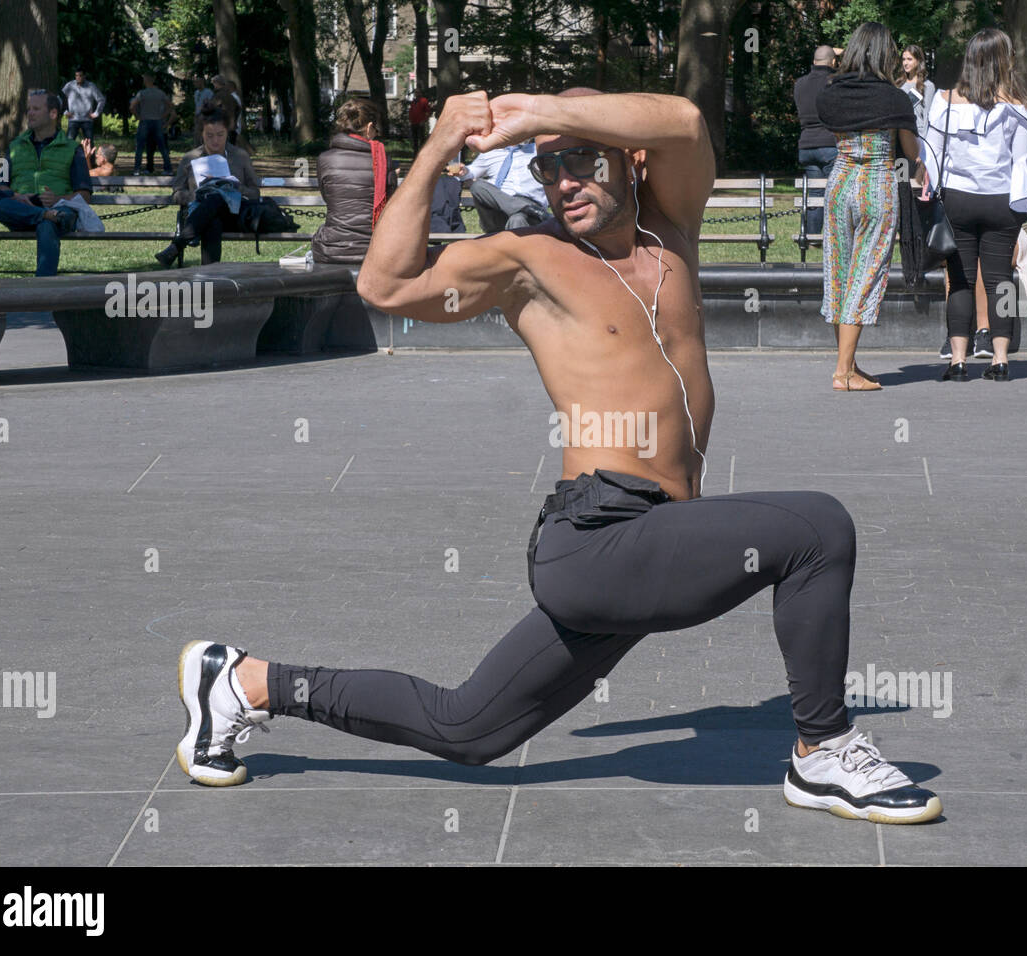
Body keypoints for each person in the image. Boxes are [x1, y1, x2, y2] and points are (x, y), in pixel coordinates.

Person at [174, 86, 943, 827]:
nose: (563, 181)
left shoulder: (671, 230)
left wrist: (543, 113)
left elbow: (682, 120)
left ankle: (243, 683)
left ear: (631, 161)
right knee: (816, 530)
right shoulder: (529, 263)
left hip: (656, 538)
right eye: (547, 166)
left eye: (582, 159)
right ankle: (824, 748)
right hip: (599, 537)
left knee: (469, 729)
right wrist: (442, 142)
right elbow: (384, 283)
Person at [923, 27, 1027, 382]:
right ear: (1006, 61)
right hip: (1002, 201)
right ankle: (1000, 359)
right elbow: (1022, 162)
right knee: (999, 281)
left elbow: (930, 155)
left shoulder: (945, 100)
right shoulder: (1021, 106)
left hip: (957, 198)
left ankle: (958, 361)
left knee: (959, 280)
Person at [814, 23, 921, 391]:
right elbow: (912, 152)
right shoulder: (895, 98)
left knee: (839, 274)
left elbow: (830, 127)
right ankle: (843, 373)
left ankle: (849, 363)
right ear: (885, 54)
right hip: (876, 187)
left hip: (840, 185)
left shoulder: (831, 93)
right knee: (864, 276)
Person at [0, 91, 91, 277]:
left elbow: (84, 195)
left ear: (53, 114)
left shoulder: (73, 149)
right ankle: (44, 215)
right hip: (21, 209)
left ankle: (42, 296)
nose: (29, 113)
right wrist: (16, 196)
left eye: (36, 109)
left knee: (47, 224)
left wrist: (56, 199)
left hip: (59, 209)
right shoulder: (10, 147)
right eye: (28, 109)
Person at [156, 109, 260, 267]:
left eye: (220, 135)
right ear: (201, 134)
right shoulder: (191, 158)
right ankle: (210, 277)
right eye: (209, 135)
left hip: (234, 215)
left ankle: (176, 246)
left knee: (217, 197)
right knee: (212, 215)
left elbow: (255, 192)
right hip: (200, 214)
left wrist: (235, 189)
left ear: (227, 133)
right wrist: (197, 196)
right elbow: (177, 193)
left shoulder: (240, 156)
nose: (215, 141)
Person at [311, 97, 399, 263]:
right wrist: (392, 176)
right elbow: (389, 204)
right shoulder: (383, 160)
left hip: (331, 248)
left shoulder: (325, 159)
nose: (376, 136)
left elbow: (329, 198)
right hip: (375, 248)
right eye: (376, 131)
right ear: (369, 127)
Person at [453, 139, 552, 232]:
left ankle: (527, 211)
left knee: (517, 219)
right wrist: (464, 172)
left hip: (530, 213)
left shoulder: (539, 150)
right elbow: (471, 172)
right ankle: (526, 209)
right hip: (496, 213)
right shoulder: (491, 153)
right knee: (477, 185)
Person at [794, 45, 840, 237]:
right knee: (836, 194)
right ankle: (836, 237)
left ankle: (812, 238)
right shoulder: (834, 82)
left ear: (814, 62)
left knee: (815, 195)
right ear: (833, 63)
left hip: (807, 145)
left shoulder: (800, 83)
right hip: (830, 143)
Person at [130, 72, 173, 175]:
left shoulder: (142, 93)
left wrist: (137, 116)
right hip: (157, 121)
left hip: (145, 120)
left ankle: (137, 169)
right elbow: (170, 106)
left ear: (146, 80)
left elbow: (132, 106)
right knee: (162, 147)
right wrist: (162, 116)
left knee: (140, 146)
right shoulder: (160, 93)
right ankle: (168, 169)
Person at [899, 44, 936, 138]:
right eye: (903, 59)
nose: (905, 63)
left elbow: (927, 116)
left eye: (909, 59)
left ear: (918, 60)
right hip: (899, 132)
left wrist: (924, 139)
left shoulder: (928, 86)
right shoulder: (898, 84)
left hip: (917, 135)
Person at [61, 69, 106, 142]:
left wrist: (96, 113)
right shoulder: (70, 85)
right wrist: (65, 112)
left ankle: (90, 154)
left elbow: (101, 99)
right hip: (73, 119)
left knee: (89, 144)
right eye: (76, 75)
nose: (78, 77)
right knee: (68, 143)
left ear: (84, 76)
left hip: (87, 120)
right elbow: (60, 98)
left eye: (80, 75)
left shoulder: (91, 86)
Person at [192, 76, 212, 145]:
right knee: (197, 133)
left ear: (202, 83)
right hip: (197, 115)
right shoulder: (196, 92)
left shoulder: (208, 92)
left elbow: (210, 104)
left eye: (197, 82)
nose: (195, 84)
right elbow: (197, 104)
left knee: (204, 132)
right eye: (194, 82)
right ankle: (198, 148)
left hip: (205, 115)